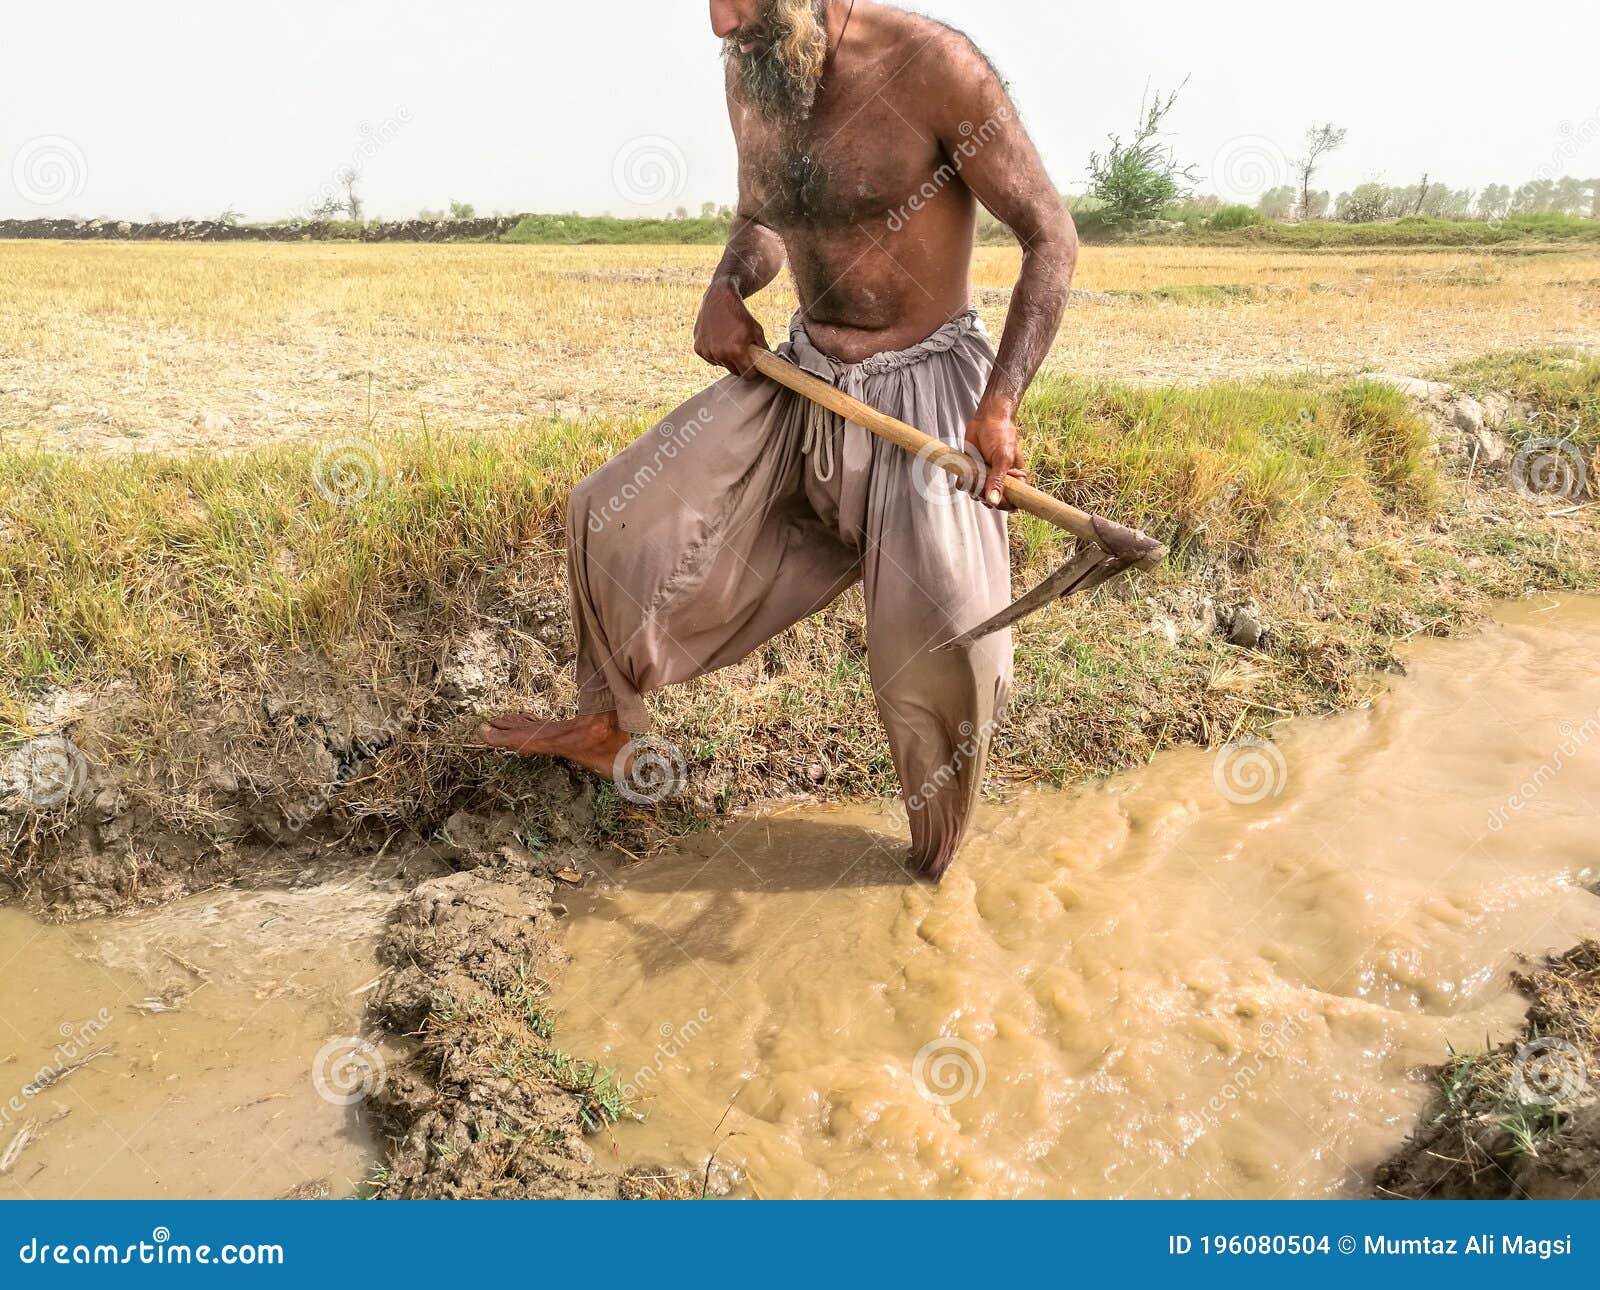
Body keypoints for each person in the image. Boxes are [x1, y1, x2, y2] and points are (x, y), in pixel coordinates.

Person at [481, 0, 1077, 880]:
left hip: (926, 395)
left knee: (952, 642)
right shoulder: (757, 68)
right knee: (610, 517)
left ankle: (932, 869)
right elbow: (761, 218)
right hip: (800, 377)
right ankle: (606, 725)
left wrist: (1001, 405)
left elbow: (1050, 237)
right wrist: (727, 285)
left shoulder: (936, 67)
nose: (720, 23)